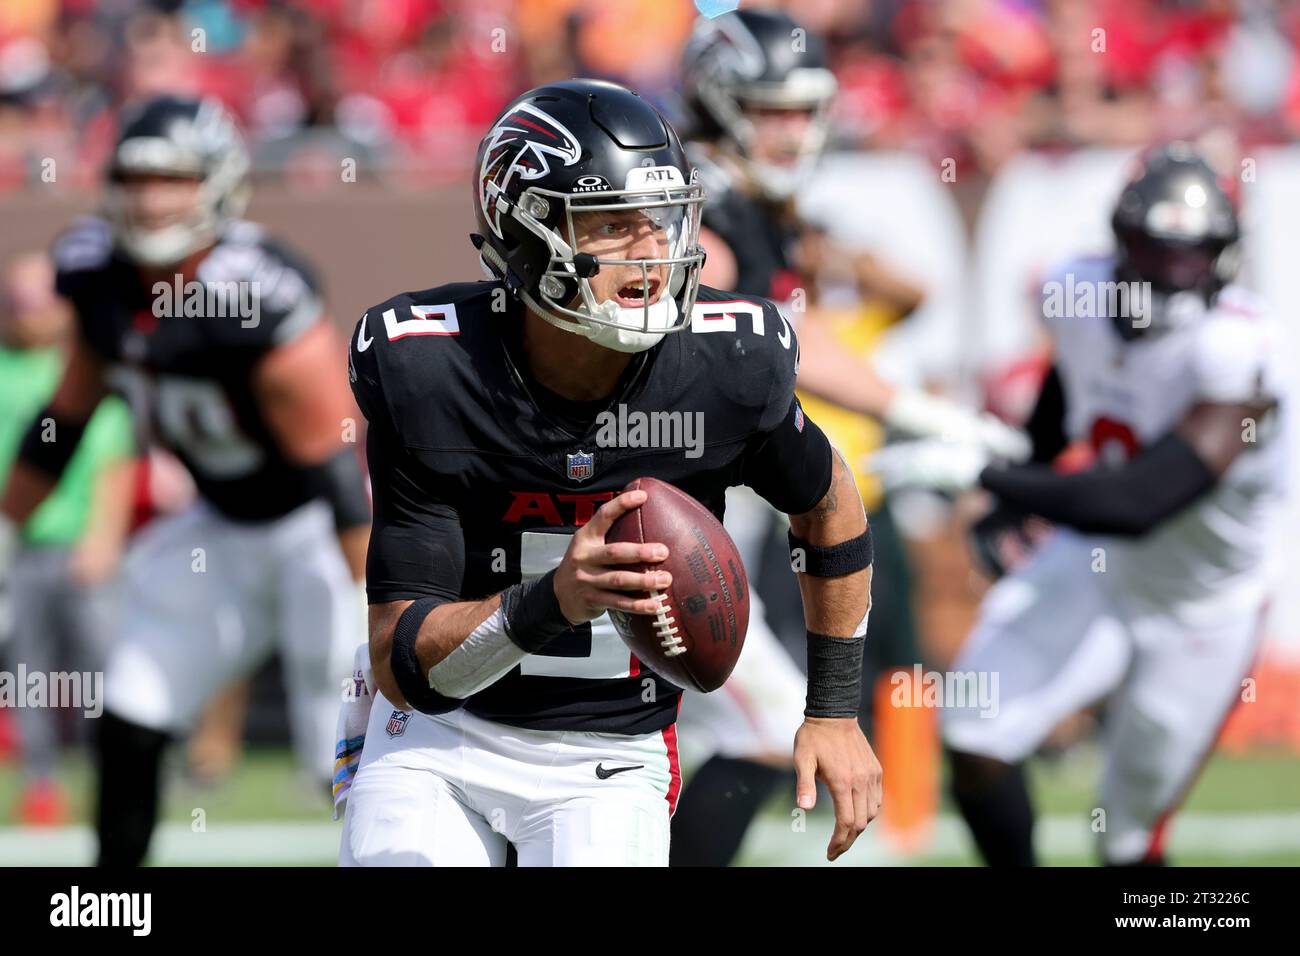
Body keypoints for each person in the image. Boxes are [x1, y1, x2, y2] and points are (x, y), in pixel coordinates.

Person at [339, 78, 881, 867]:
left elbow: (829, 506)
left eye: (661, 221)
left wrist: (832, 709)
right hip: (436, 733)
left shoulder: (726, 361)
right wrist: (553, 600)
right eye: (612, 226)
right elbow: (400, 661)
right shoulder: (432, 369)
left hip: (611, 752)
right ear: (525, 234)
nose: (651, 253)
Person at [669, 6, 1026, 865]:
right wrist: (919, 412)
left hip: (679, 508)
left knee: (668, 744)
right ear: (720, 102)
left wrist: (912, 410)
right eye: (772, 111)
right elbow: (761, 338)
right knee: (744, 731)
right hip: (645, 506)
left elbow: (784, 333)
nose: (793, 132)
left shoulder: (751, 203)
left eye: (803, 111)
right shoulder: (701, 212)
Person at [873, 142, 1288, 865]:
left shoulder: (1239, 348)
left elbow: (1138, 501)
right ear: (1122, 240)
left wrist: (989, 477)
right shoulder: (1080, 293)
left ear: (1224, 255)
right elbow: (1070, 389)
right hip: (1099, 564)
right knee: (973, 729)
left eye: (1192, 253)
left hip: (1202, 602)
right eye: (1155, 249)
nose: (1173, 270)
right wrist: (1019, 484)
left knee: (1125, 837)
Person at [0, 95, 369, 865]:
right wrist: (7, 530)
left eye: (173, 178)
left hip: (316, 532)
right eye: (135, 180)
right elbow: (64, 420)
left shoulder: (257, 288)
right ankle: (113, 898)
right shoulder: (97, 275)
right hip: (218, 528)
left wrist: (373, 594)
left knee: (342, 745)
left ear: (219, 184)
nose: (151, 199)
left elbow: (335, 464)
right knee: (132, 703)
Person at [0, 251, 135, 825]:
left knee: (103, 673)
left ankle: (115, 780)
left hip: (81, 548)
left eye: (36, 299)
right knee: (25, 675)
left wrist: (103, 536)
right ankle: (41, 785)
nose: (25, 311)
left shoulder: (82, 369)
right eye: (16, 300)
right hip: (19, 550)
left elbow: (113, 458)